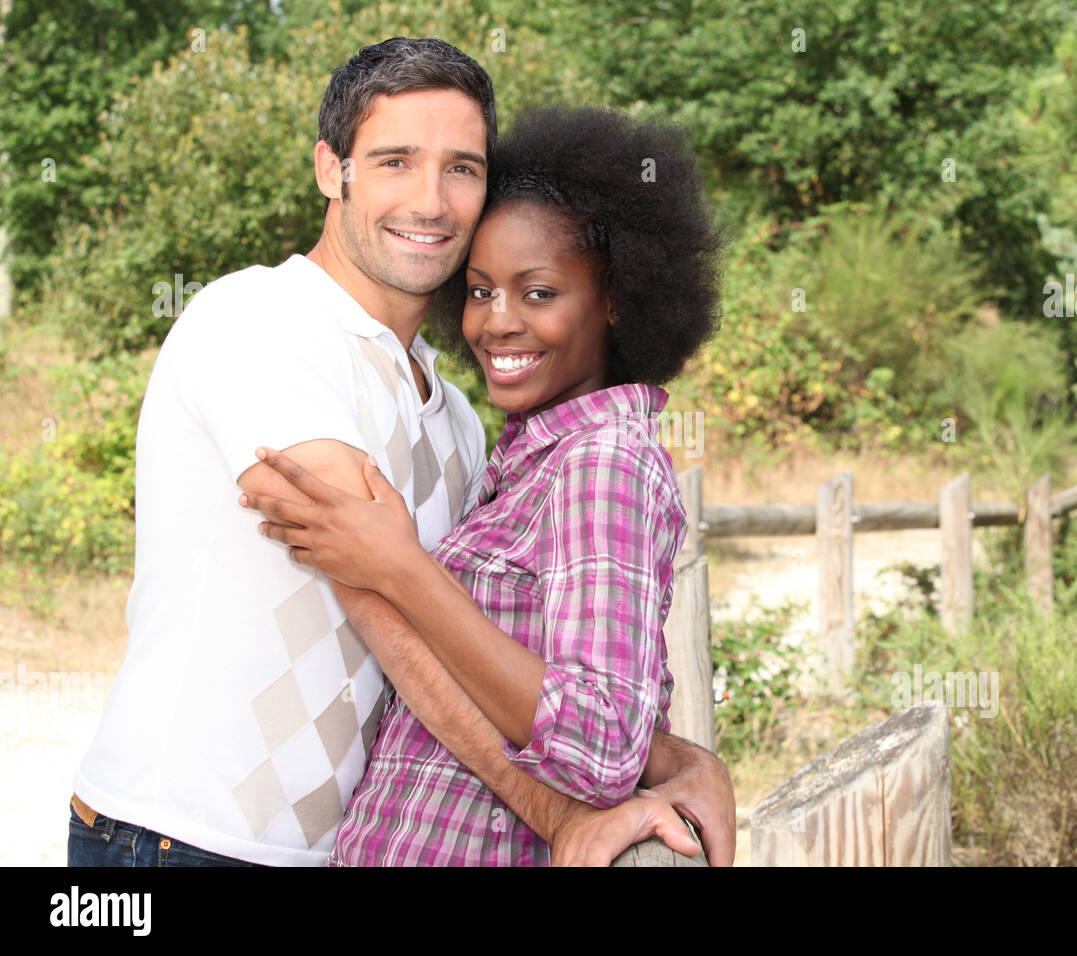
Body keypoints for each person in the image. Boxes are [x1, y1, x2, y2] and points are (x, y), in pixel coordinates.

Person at [69, 36, 734, 867]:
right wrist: (558, 815)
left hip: (337, 850)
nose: (432, 200)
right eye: (394, 160)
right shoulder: (259, 323)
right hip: (180, 838)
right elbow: (380, 605)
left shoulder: (458, 419)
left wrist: (682, 759)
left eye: (461, 168)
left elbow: (463, 642)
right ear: (330, 169)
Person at [239, 103, 724, 865]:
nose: (497, 322)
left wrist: (402, 569)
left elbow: (599, 743)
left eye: (538, 293)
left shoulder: (604, 463)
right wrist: (689, 759)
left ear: (617, 298)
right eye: (479, 289)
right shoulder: (523, 459)